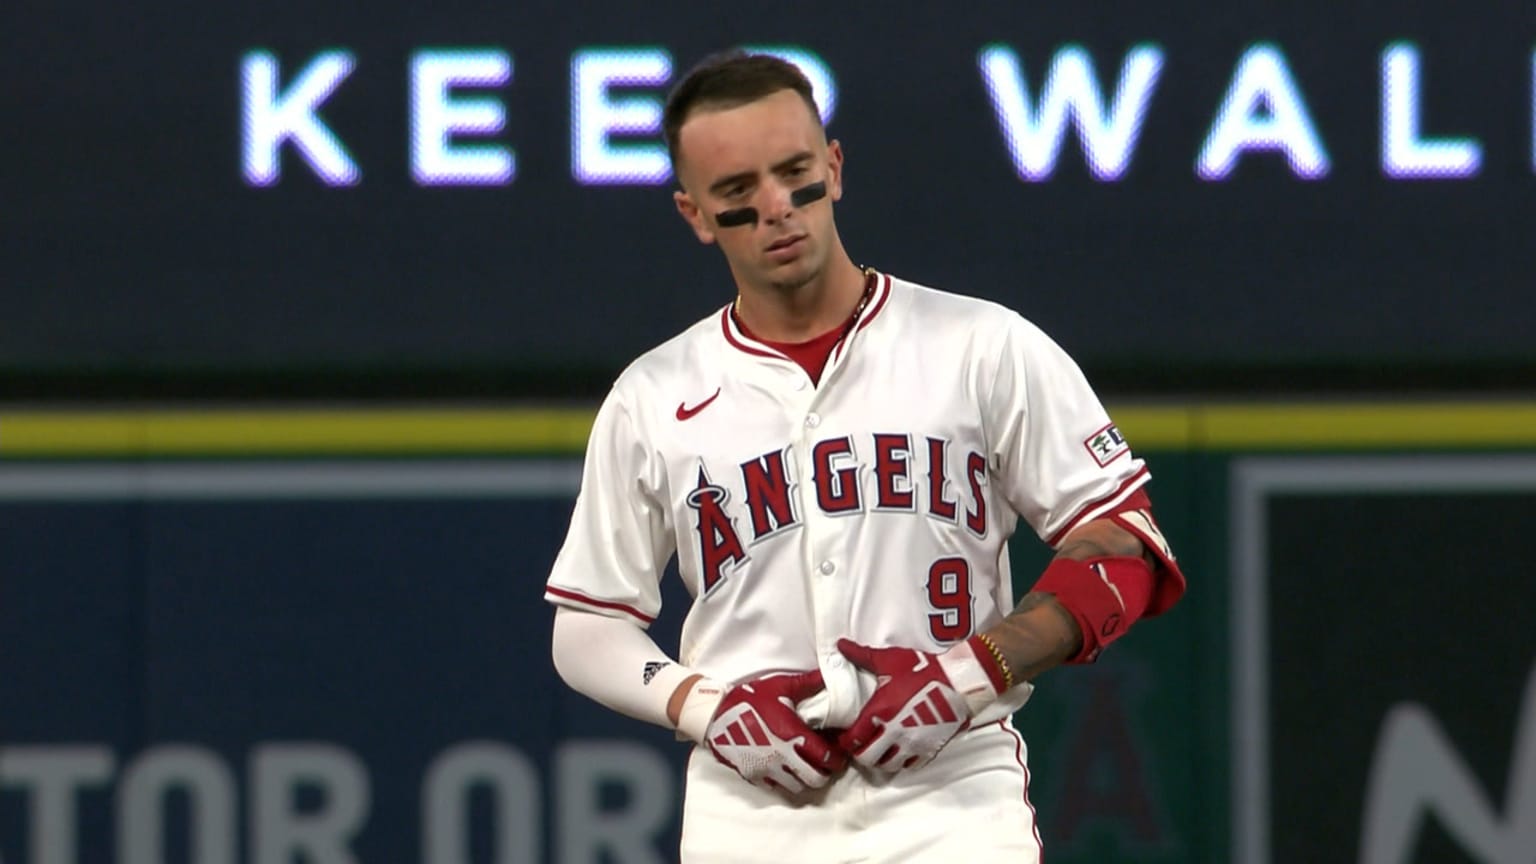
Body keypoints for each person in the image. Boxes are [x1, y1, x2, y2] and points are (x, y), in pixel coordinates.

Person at [545, 50, 1186, 862]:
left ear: (835, 168)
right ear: (695, 214)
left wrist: (974, 672)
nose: (777, 208)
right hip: (749, 815)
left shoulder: (981, 345)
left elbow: (1123, 550)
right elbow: (588, 626)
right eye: (739, 191)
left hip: (954, 800)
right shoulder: (653, 394)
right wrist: (705, 706)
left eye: (794, 174)